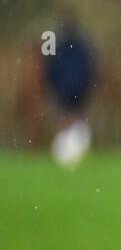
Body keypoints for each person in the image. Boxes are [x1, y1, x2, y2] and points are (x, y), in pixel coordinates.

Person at [44, 18, 97, 169]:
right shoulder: (82, 46)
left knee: (64, 119)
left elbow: (51, 69)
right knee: (77, 118)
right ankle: (75, 151)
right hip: (79, 87)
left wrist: (53, 84)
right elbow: (90, 67)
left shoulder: (59, 46)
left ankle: (65, 152)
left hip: (63, 88)